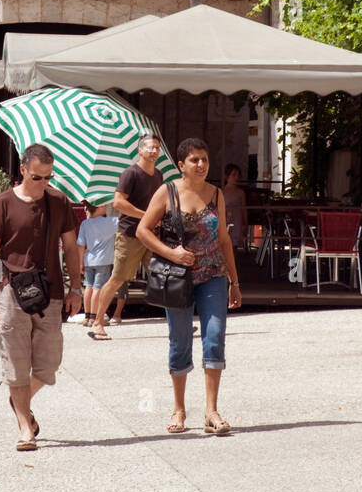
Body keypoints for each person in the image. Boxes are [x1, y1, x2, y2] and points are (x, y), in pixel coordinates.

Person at [0, 142, 82, 451]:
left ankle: (18, 398)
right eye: (37, 177)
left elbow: (72, 248)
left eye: (48, 177)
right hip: (11, 289)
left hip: (50, 290)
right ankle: (25, 426)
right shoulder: (4, 203)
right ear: (23, 170)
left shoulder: (59, 202)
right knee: (16, 361)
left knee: (48, 366)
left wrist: (76, 287)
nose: (43, 183)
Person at [137, 137, 241, 435]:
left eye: (204, 159)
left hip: (214, 275)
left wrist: (234, 281)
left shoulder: (216, 194)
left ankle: (211, 411)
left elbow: (223, 239)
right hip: (177, 278)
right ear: (180, 165)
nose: (201, 165)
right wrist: (171, 253)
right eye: (194, 160)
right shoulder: (167, 191)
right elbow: (143, 230)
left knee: (214, 336)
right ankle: (179, 409)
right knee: (180, 340)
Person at [89, 133, 163, 340]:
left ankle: (178, 323)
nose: (154, 151)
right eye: (150, 147)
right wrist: (146, 216)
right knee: (117, 279)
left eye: (157, 147)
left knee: (163, 277)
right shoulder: (130, 174)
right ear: (140, 150)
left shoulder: (158, 175)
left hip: (150, 235)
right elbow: (118, 202)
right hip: (129, 234)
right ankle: (97, 322)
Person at [71, 202, 118, 326]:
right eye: (104, 205)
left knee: (88, 287)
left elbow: (80, 245)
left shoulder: (85, 224)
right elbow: (125, 222)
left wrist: (80, 263)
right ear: (99, 207)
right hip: (103, 261)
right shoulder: (110, 222)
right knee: (98, 288)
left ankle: (87, 316)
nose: (106, 207)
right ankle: (95, 317)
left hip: (88, 260)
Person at [222, 163, 249, 251]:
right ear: (227, 176)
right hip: (225, 220)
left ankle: (233, 264)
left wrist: (245, 224)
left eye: (238, 175)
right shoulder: (221, 191)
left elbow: (244, 209)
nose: (236, 178)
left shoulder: (241, 193)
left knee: (234, 245)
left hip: (237, 220)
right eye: (233, 175)